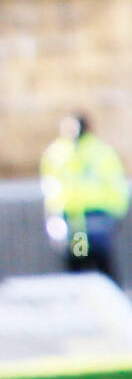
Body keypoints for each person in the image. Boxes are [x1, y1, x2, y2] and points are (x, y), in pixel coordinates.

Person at [40, 113, 129, 285]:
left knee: (101, 270)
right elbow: (52, 188)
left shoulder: (96, 152)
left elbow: (115, 185)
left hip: (95, 222)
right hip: (79, 224)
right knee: (81, 271)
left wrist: (116, 215)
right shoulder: (60, 153)